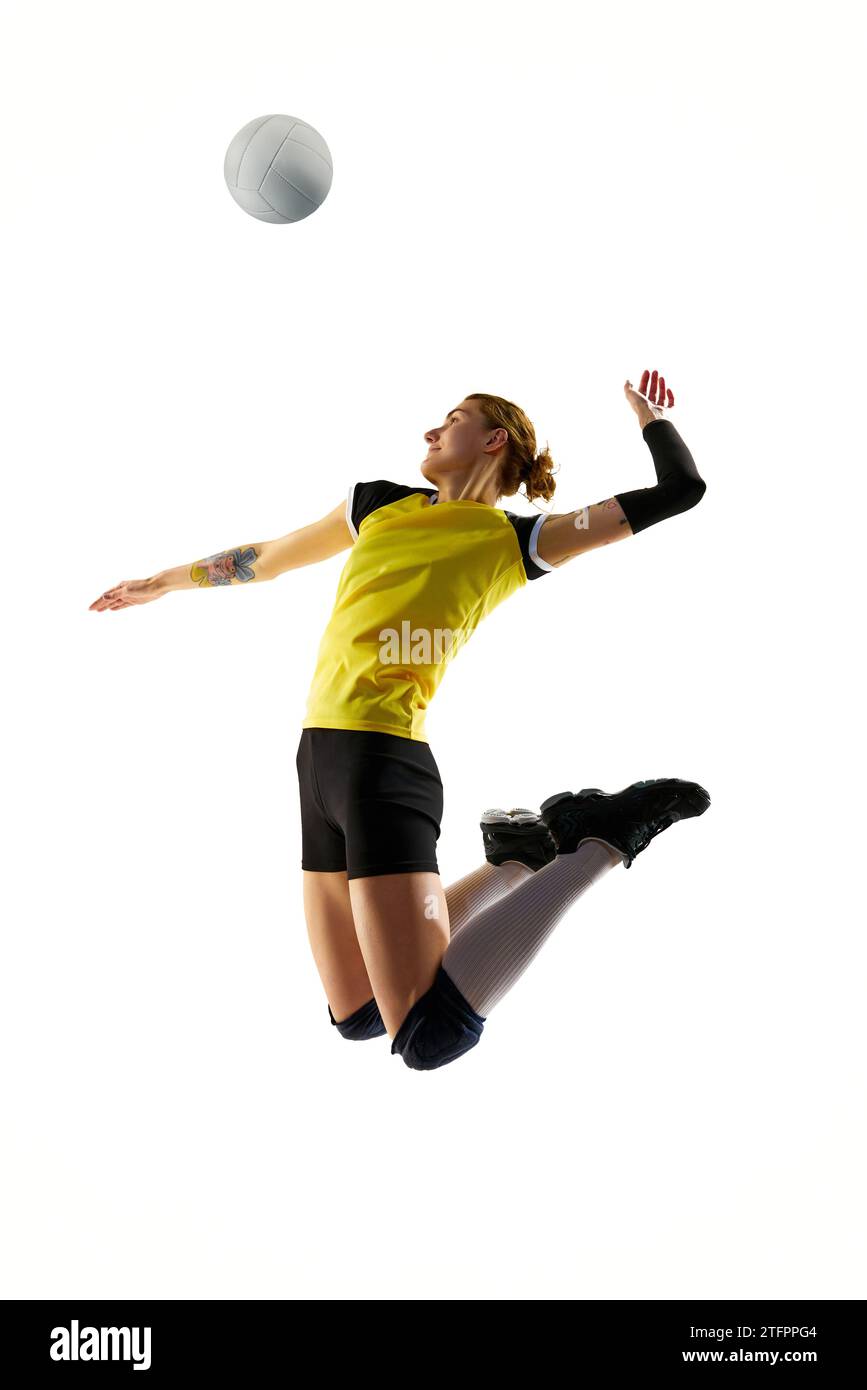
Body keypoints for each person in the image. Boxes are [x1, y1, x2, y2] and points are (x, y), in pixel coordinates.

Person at [90, 368, 710, 1072]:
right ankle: (515, 859)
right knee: (356, 1012)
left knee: (428, 1036)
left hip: (384, 766)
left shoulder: (520, 540)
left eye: (450, 419)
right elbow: (264, 560)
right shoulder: (376, 504)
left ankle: (601, 836)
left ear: (492, 440)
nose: (430, 430)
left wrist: (647, 417)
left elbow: (677, 493)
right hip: (317, 762)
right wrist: (166, 581)